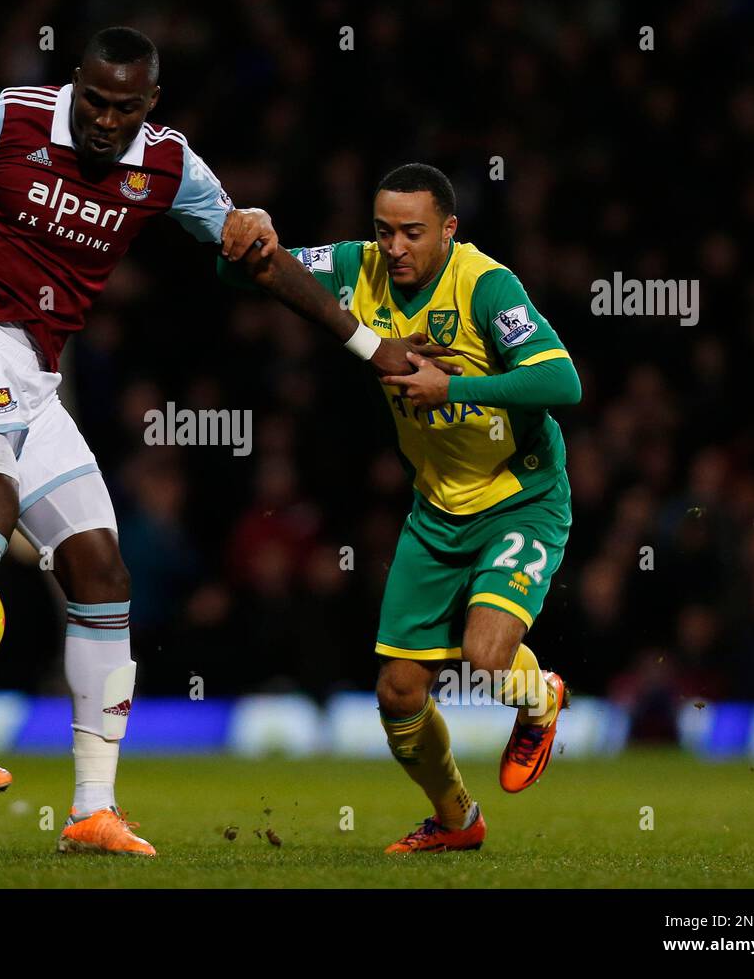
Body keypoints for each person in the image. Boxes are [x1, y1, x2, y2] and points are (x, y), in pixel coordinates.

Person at [0, 27, 423, 856]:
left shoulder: (168, 166)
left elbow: (254, 256)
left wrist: (369, 347)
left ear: (149, 105)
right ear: (72, 84)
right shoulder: (4, 122)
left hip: (36, 376)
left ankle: (91, 810)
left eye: (125, 108)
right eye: (93, 101)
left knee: (100, 567)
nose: (104, 121)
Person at [220, 163, 582, 852]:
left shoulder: (486, 284)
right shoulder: (358, 268)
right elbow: (243, 274)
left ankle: (541, 698)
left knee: (485, 653)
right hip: (437, 513)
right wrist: (251, 231)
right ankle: (456, 821)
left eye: (413, 233)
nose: (395, 248)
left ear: (449, 229)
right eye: (384, 231)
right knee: (398, 693)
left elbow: (563, 382)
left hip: (520, 498)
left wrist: (458, 389)